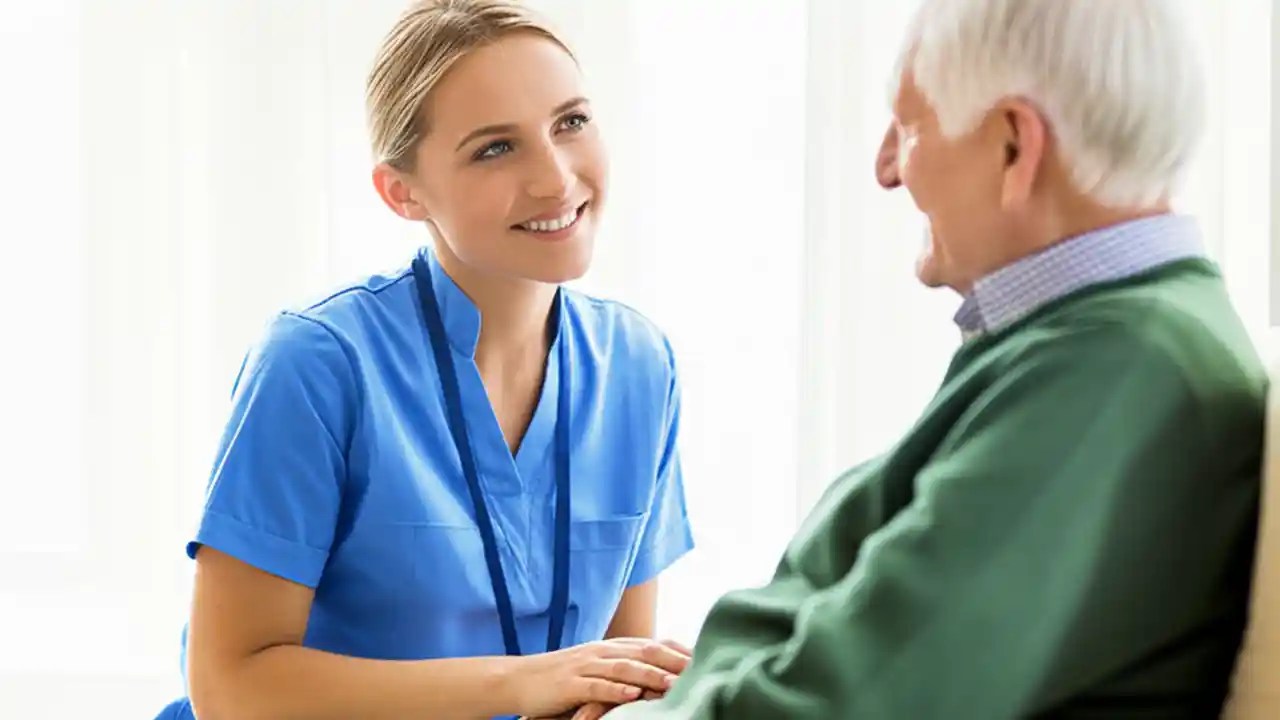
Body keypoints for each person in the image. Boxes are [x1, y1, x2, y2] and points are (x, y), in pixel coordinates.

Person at [555, 0, 1267, 718]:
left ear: (1015, 147)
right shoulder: (1100, 342)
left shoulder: (1119, 373)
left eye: (910, 125)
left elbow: (843, 702)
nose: (886, 168)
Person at [157, 2, 696, 719]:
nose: (556, 179)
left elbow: (615, 682)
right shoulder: (317, 364)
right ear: (402, 192)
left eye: (570, 122)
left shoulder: (639, 366)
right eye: (494, 148)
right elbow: (230, 686)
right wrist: (520, 682)